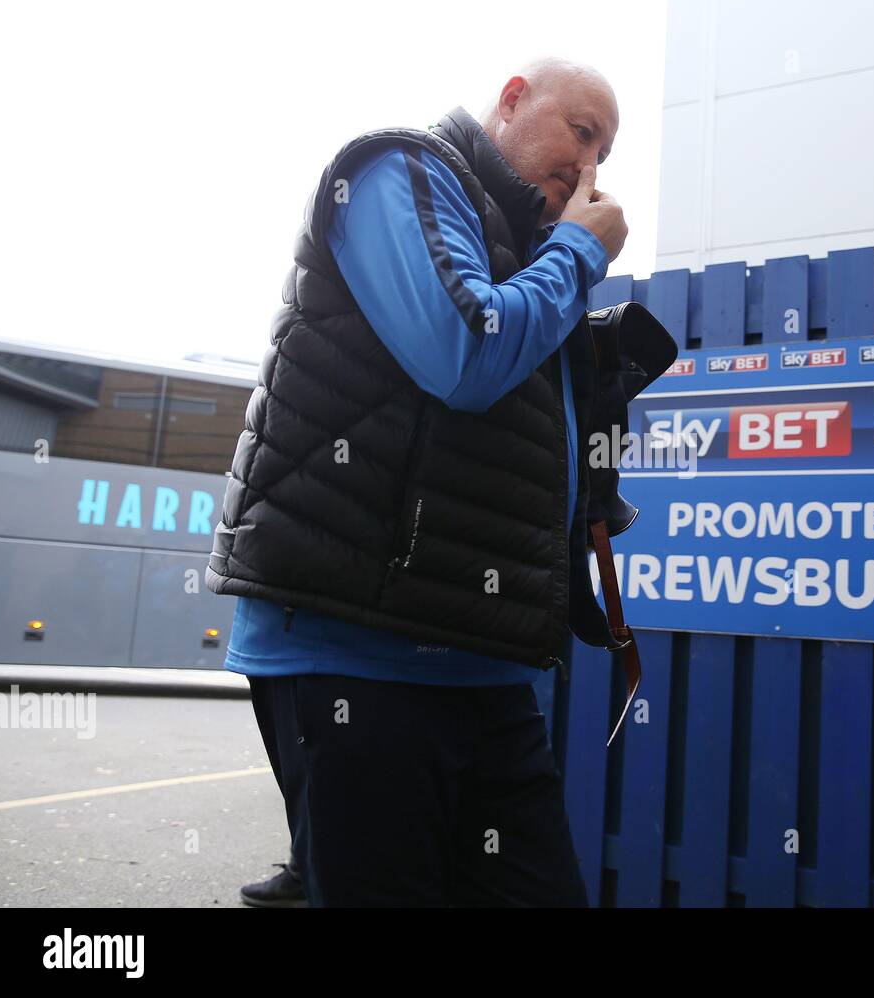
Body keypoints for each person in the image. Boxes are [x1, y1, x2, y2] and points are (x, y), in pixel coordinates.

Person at [210, 56, 631, 906]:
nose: (591, 169)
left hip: (484, 667)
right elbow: (465, 353)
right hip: (355, 652)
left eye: (607, 153)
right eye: (581, 133)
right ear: (512, 100)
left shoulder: (531, 252)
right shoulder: (394, 169)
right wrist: (582, 252)